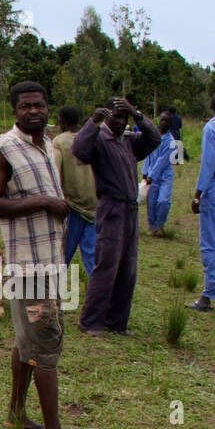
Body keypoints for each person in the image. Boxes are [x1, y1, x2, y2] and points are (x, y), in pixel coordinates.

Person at [0, 81, 95, 429]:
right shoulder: (3, 148)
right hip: (28, 268)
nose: (34, 111)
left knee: (26, 342)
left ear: (49, 108)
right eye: (26, 106)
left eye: (40, 105)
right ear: (14, 110)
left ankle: (16, 413)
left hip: (51, 261)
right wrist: (45, 202)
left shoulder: (47, 144)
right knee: (45, 344)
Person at [72, 96, 160, 336]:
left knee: (128, 267)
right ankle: (90, 321)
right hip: (111, 209)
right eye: (116, 116)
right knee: (107, 265)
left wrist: (137, 115)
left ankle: (116, 321)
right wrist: (93, 121)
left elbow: (155, 138)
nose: (121, 121)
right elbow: (79, 150)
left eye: (124, 117)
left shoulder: (129, 141)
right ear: (106, 117)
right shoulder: (99, 139)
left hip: (131, 210)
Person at [190, 91, 215, 312]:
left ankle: (207, 296)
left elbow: (209, 164)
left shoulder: (212, 128)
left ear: (211, 107)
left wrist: (197, 194)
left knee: (211, 245)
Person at [51, 106, 97, 275]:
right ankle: (100, 295)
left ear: (61, 121)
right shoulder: (91, 138)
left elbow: (56, 175)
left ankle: (53, 293)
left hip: (72, 207)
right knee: (92, 256)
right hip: (94, 205)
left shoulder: (60, 142)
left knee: (62, 255)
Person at [142, 113, 177, 237]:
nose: (164, 122)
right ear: (158, 120)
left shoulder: (171, 142)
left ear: (170, 123)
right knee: (151, 202)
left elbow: (162, 160)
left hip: (164, 176)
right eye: (162, 119)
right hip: (151, 174)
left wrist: (151, 175)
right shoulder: (153, 137)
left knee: (163, 201)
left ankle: (160, 225)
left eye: (167, 120)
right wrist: (144, 172)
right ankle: (152, 227)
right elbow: (148, 155)